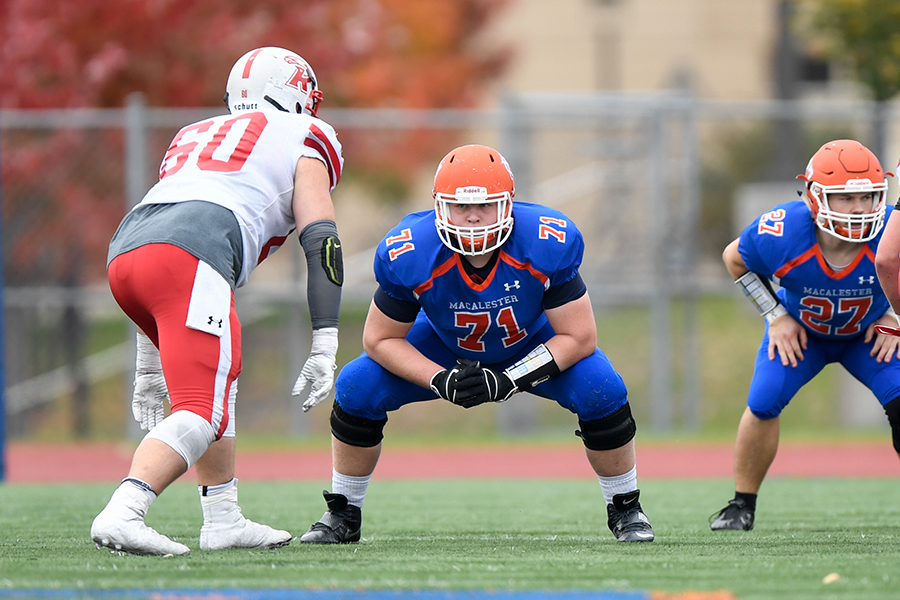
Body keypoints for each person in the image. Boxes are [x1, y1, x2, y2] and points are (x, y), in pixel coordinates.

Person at [297, 144, 654, 545]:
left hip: (529, 343)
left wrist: (508, 379)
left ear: (508, 204)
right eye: (459, 207)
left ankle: (625, 507)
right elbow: (379, 339)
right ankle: (343, 511)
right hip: (444, 345)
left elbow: (579, 336)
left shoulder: (545, 240)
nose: (471, 217)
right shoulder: (410, 250)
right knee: (357, 383)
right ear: (438, 207)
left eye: (485, 205)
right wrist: (439, 379)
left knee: (601, 386)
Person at [90, 47, 345, 555]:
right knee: (202, 410)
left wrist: (147, 364)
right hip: (193, 253)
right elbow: (322, 240)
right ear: (298, 95)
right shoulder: (305, 136)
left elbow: (164, 230)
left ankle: (223, 519)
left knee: (216, 392)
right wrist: (326, 338)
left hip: (127, 253)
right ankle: (125, 510)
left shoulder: (191, 134)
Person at [710, 139, 900, 531]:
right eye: (846, 199)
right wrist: (775, 315)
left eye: (868, 196)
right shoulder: (782, 231)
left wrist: (896, 316)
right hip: (803, 334)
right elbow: (734, 259)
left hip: (868, 333)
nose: (861, 208)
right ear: (815, 197)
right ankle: (741, 504)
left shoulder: (890, 231)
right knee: (763, 402)